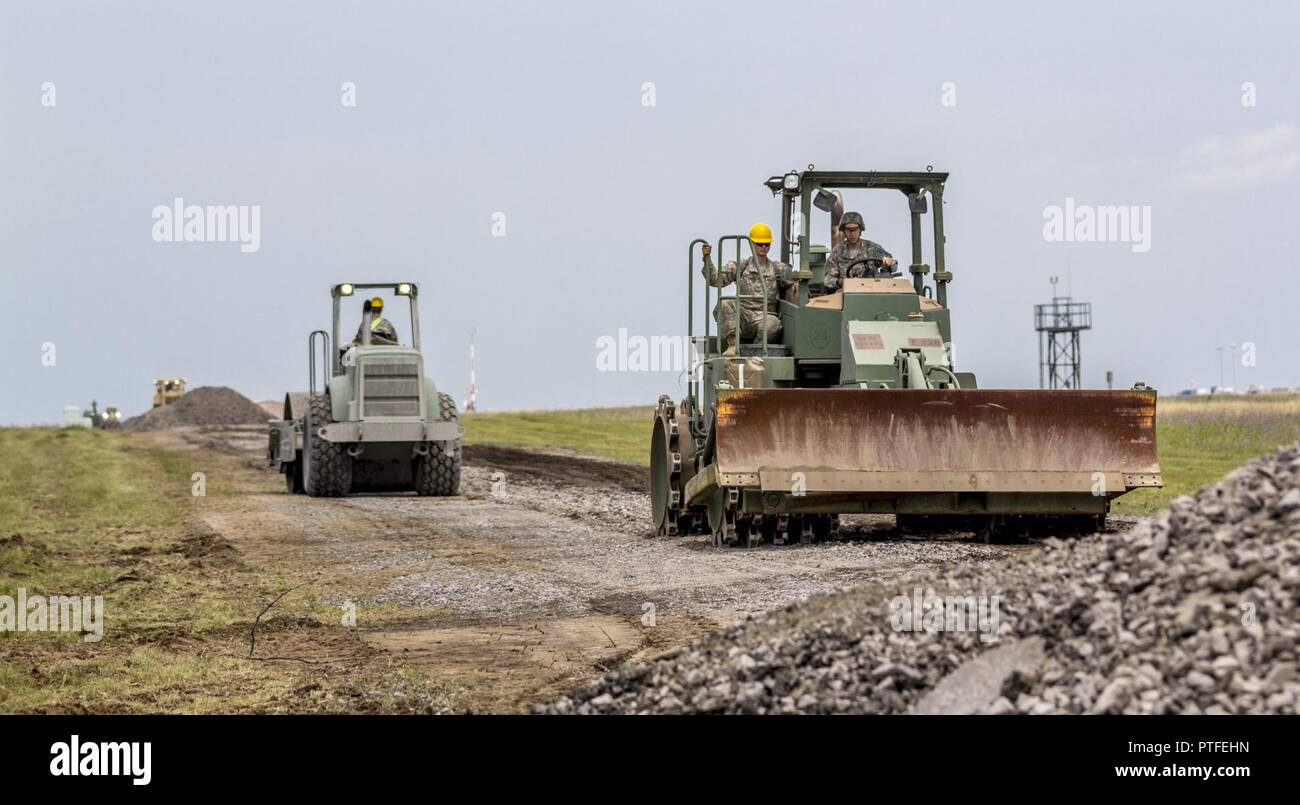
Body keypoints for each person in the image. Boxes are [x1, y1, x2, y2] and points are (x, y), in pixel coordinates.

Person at [702, 223, 794, 356]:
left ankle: (754, 351)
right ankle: (733, 345)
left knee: (772, 326)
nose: (763, 247)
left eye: (766, 244)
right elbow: (716, 280)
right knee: (725, 302)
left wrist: (795, 285)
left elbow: (794, 285)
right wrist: (707, 259)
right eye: (759, 244)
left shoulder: (778, 269)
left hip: (765, 314)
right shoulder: (741, 266)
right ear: (752, 243)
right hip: (743, 314)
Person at [822, 211, 898, 293]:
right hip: (846, 293)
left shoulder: (872, 248)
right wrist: (842, 282)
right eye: (848, 230)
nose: (852, 234)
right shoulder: (837, 251)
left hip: (872, 291)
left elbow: (891, 266)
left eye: (855, 229)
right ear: (843, 231)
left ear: (860, 230)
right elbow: (828, 280)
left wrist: (889, 263)